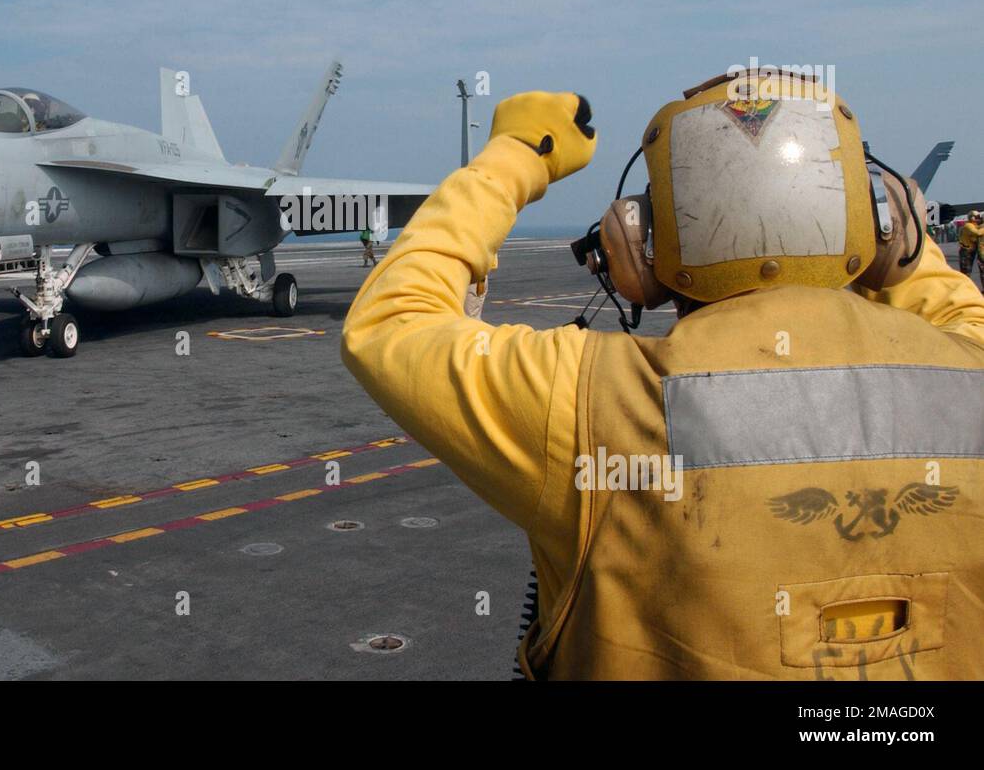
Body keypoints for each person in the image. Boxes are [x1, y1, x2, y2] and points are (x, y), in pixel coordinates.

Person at [342, 72, 984, 680]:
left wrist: (514, 156)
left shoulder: (592, 399)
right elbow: (949, 303)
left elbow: (391, 323)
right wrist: (890, 231)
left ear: (636, 244)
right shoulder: (972, 369)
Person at [959, 210, 983, 288]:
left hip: (971, 251)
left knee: (968, 270)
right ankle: (963, 288)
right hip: (966, 251)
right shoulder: (968, 225)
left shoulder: (974, 225)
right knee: (965, 272)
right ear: (971, 218)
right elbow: (978, 233)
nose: (978, 219)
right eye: (976, 217)